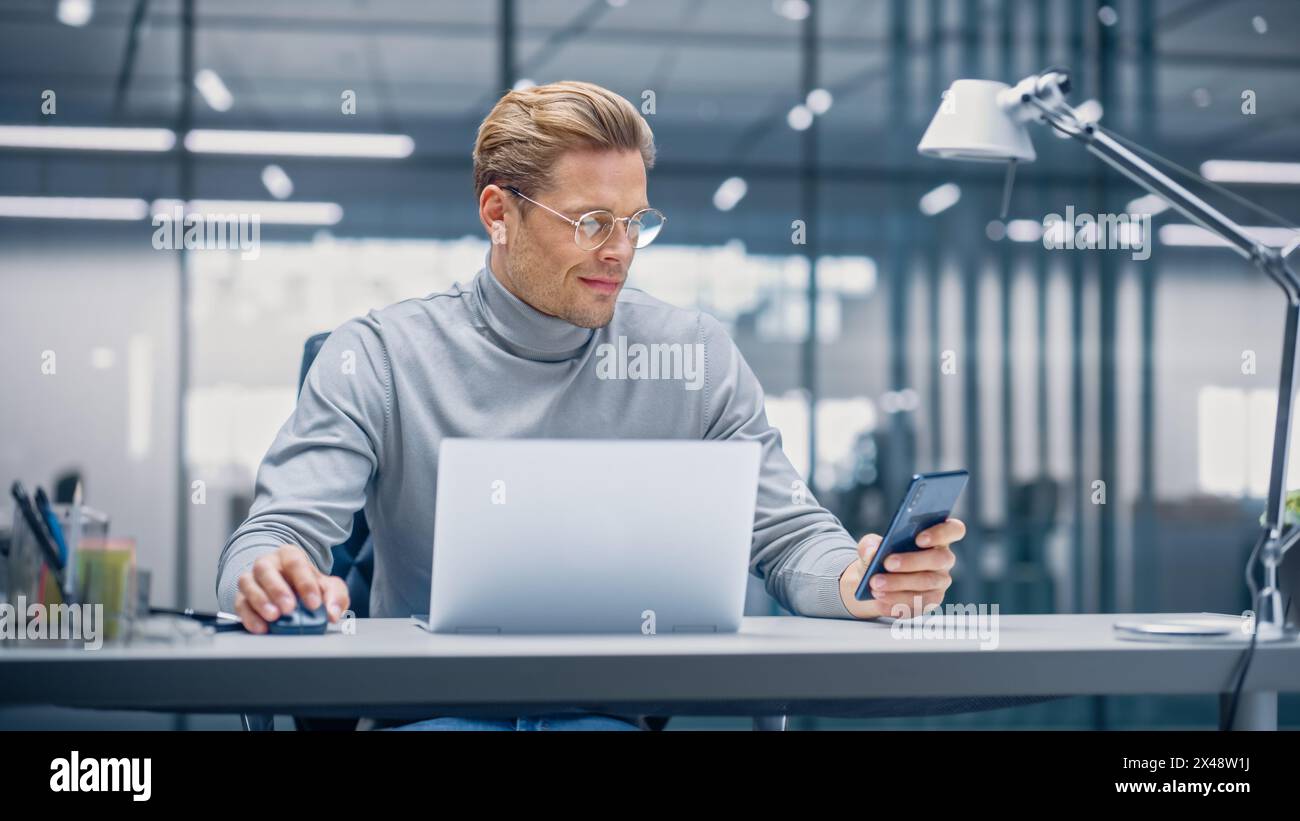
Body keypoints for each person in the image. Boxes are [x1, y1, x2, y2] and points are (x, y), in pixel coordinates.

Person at [215, 80, 966, 731]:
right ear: (497, 212)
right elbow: (273, 534)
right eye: (591, 221)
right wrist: (270, 573)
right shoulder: (379, 353)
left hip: (606, 713)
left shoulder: (695, 356)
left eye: (635, 221)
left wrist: (856, 580)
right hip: (432, 710)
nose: (621, 250)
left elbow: (789, 535)